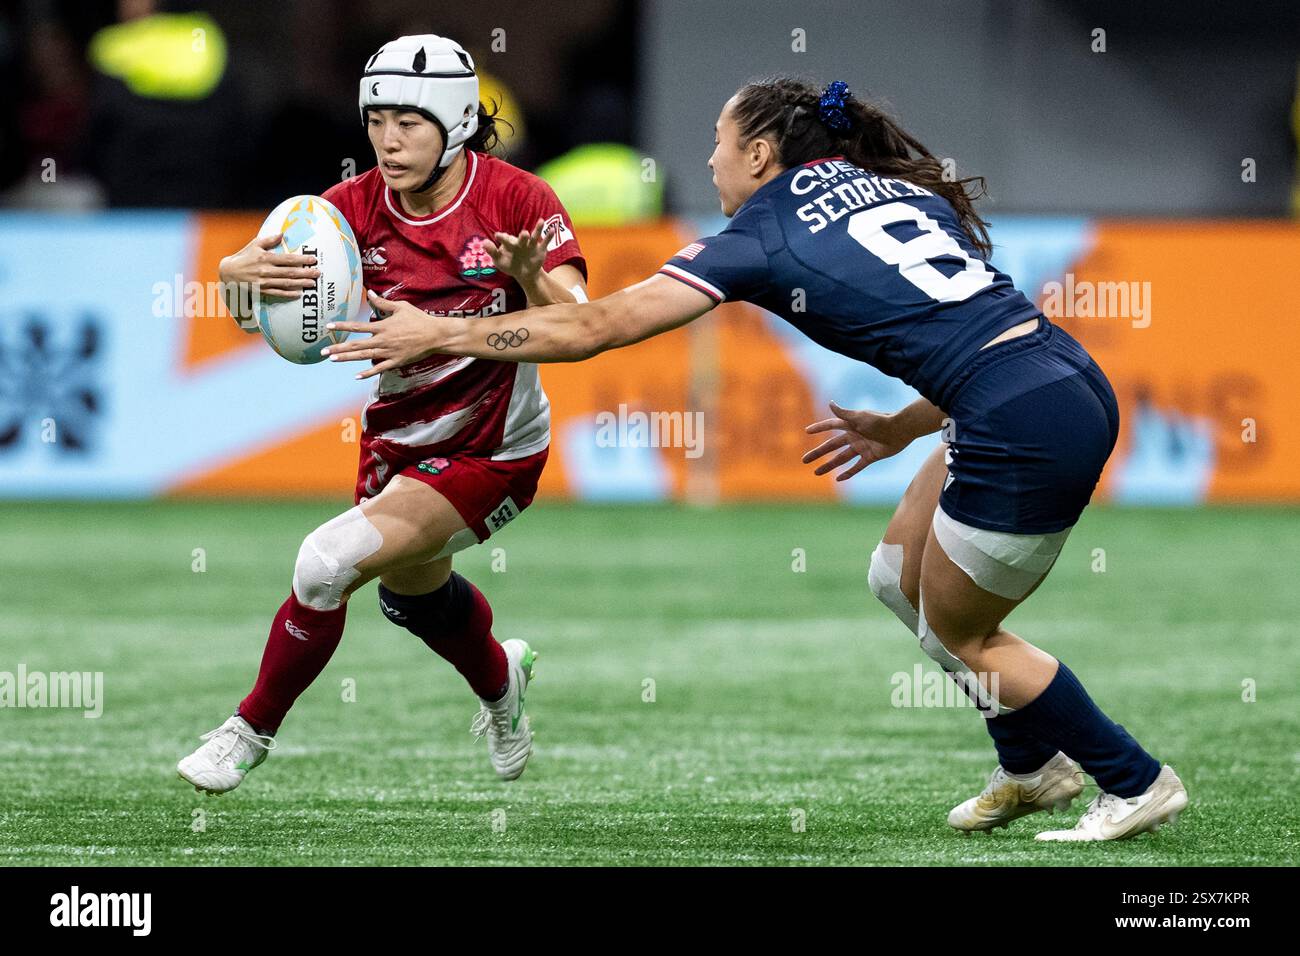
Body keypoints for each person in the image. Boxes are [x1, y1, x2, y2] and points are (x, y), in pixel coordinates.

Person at [322, 76, 1188, 841]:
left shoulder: (765, 233)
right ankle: (1033, 769)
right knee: (897, 577)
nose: (708, 162)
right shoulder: (882, 188)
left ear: (762, 153)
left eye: (718, 143)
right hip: (1044, 379)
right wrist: (901, 427)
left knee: (962, 633)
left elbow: (594, 328)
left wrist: (443, 330)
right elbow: (977, 324)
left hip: (1017, 419)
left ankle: (1135, 780)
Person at [177, 34, 587, 793]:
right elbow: (258, 322)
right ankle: (504, 684)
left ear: (457, 121)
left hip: (494, 453)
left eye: (409, 121)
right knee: (414, 597)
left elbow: (581, 327)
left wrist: (534, 281)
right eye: (376, 120)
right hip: (398, 446)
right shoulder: (347, 212)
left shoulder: (516, 200)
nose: (388, 141)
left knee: (323, 564)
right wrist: (236, 280)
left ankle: (249, 730)